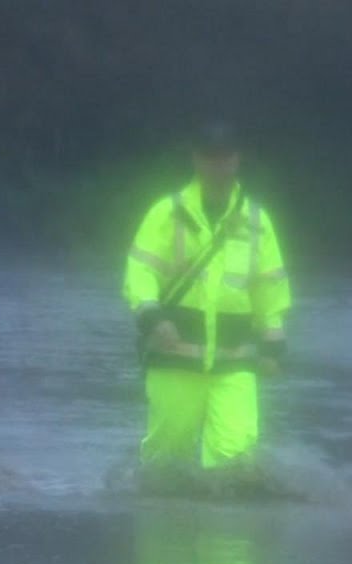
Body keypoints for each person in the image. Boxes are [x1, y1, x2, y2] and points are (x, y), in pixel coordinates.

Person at [122, 122, 292, 490]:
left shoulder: (257, 221)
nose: (219, 166)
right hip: (174, 358)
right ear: (197, 160)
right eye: (211, 158)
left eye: (226, 158)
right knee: (164, 470)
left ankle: (226, 545)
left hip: (236, 362)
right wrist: (151, 316)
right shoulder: (167, 213)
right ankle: (166, 539)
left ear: (237, 160)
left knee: (237, 467)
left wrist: (274, 344)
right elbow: (139, 271)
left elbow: (270, 289)